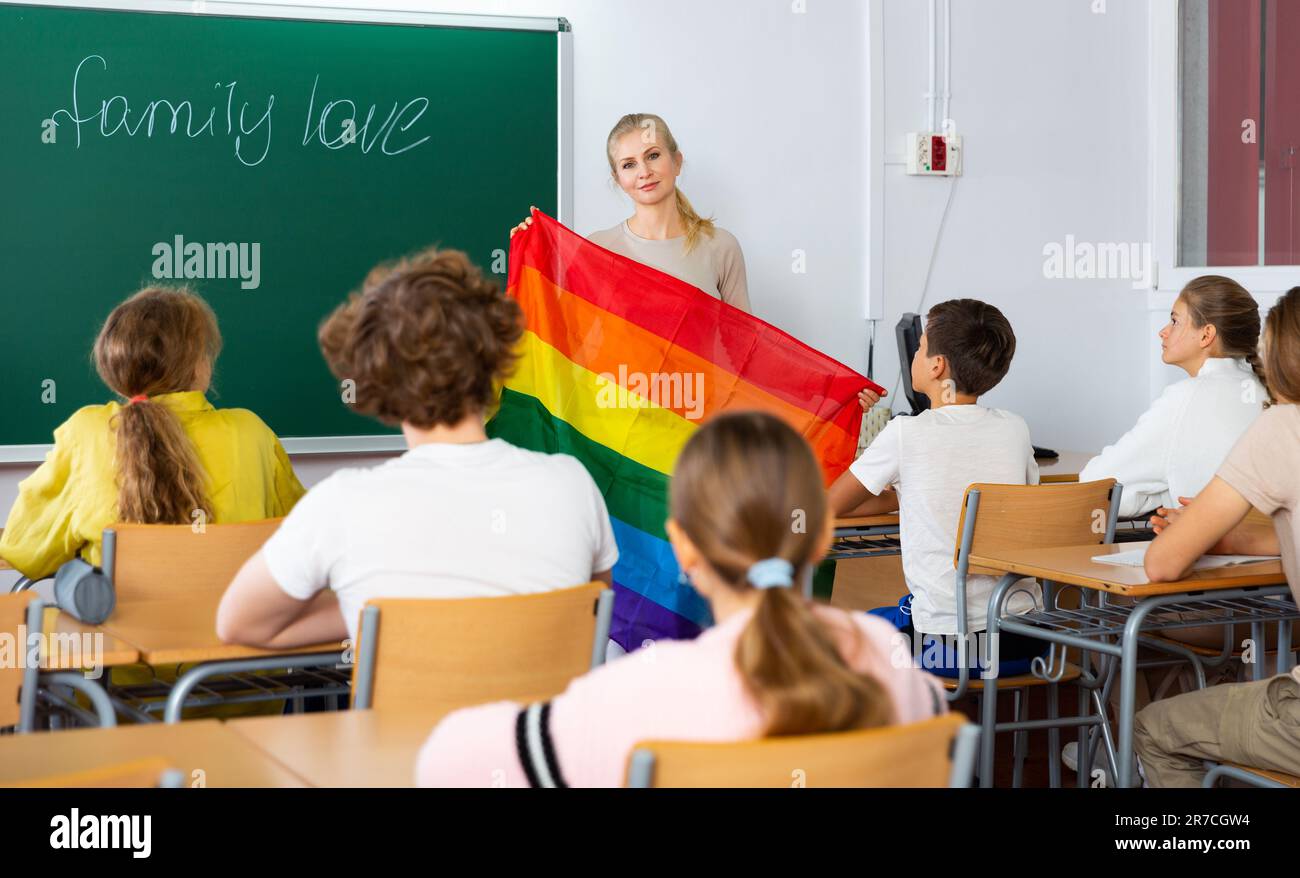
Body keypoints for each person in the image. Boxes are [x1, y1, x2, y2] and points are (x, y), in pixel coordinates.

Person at [415, 411, 945, 787]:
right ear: (821, 539)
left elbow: (442, 761)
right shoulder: (893, 663)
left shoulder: (637, 690)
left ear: (684, 547)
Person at [216, 247, 618, 647]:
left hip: (408, 715)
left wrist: (363, 612)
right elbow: (594, 615)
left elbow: (238, 625)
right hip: (539, 713)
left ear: (377, 378)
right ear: (495, 359)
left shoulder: (341, 503)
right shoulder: (571, 484)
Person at [1133, 286, 1300, 787]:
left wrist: (1197, 532)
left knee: (1155, 728)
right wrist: (1230, 538)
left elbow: (1161, 564)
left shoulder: (1281, 427)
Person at [511, 113, 750, 311]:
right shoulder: (597, 249)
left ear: (677, 161)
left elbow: (745, 349)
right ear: (618, 178)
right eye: (629, 164)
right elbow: (571, 337)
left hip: (703, 372)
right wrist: (534, 257)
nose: (644, 171)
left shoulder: (720, 246)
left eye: (653, 156)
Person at [1080, 275, 1266, 518]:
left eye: (1174, 321)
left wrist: (1160, 493)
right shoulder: (1270, 391)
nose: (1163, 332)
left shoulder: (1185, 399)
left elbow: (1094, 484)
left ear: (1206, 334)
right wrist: (1168, 489)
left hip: (1206, 549)